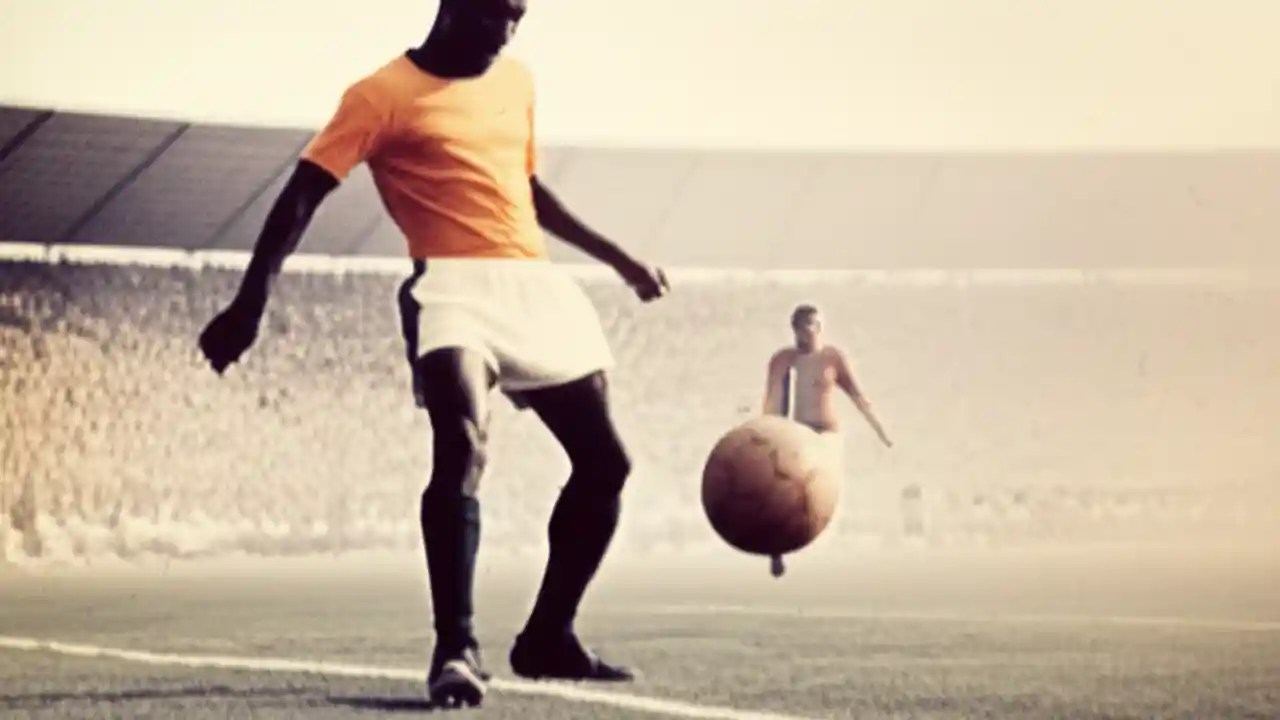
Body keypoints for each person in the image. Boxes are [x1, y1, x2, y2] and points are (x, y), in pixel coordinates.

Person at [197, 0, 669, 708]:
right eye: (494, 16)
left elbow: (527, 190)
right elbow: (300, 198)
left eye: (518, 17)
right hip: (451, 287)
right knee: (463, 447)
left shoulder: (515, 82)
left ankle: (549, 636)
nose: (506, 32)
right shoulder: (380, 95)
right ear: (452, 6)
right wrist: (250, 301)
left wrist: (621, 259)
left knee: (607, 465)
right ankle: (457, 647)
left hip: (533, 287)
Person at [761, 304, 891, 576]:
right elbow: (770, 402)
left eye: (812, 325)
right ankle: (776, 548)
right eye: (801, 326)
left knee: (816, 490)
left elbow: (857, 395)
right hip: (795, 434)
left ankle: (813, 527)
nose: (807, 331)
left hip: (826, 433)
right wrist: (767, 435)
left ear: (819, 328)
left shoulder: (832, 358)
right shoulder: (783, 360)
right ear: (793, 329)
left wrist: (880, 431)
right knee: (781, 492)